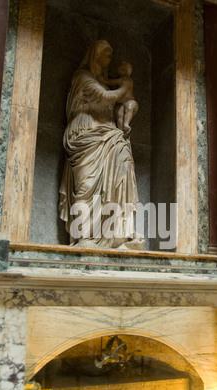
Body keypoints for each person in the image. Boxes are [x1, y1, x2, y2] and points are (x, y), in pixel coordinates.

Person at [59, 40, 144, 250]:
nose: (110, 58)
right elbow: (106, 98)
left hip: (109, 134)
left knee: (124, 164)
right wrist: (125, 88)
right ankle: (84, 236)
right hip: (85, 134)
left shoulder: (104, 82)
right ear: (95, 55)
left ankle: (119, 232)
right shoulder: (83, 77)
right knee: (86, 186)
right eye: (107, 54)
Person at [104, 61, 139, 137]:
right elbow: (111, 82)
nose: (119, 69)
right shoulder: (120, 79)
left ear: (127, 71)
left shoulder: (126, 79)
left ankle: (126, 124)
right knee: (119, 113)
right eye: (119, 68)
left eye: (122, 68)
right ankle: (120, 131)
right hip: (120, 102)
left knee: (129, 108)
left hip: (130, 101)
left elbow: (113, 83)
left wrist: (104, 80)